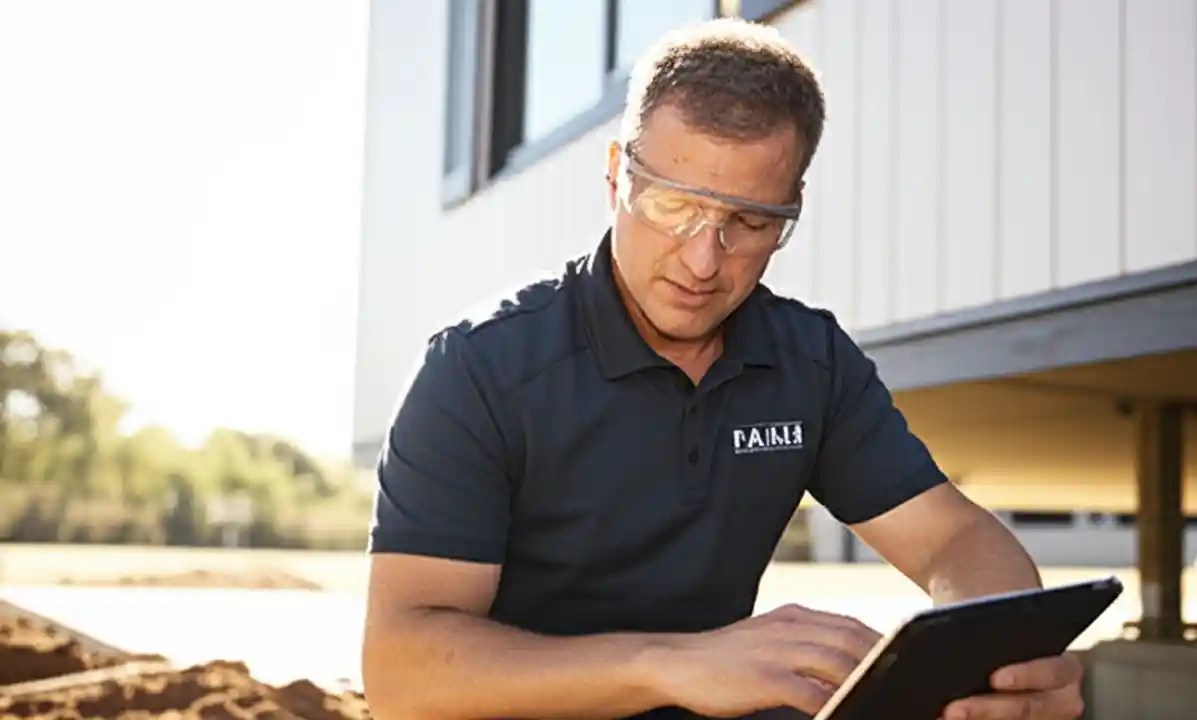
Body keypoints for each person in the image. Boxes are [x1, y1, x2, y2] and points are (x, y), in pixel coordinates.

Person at [361, 16, 1084, 720]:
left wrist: (997, 660)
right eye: (674, 206)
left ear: (790, 209)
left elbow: (954, 539)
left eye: (749, 221)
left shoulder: (812, 362)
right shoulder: (480, 369)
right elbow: (402, 674)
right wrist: (672, 664)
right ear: (617, 177)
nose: (704, 260)